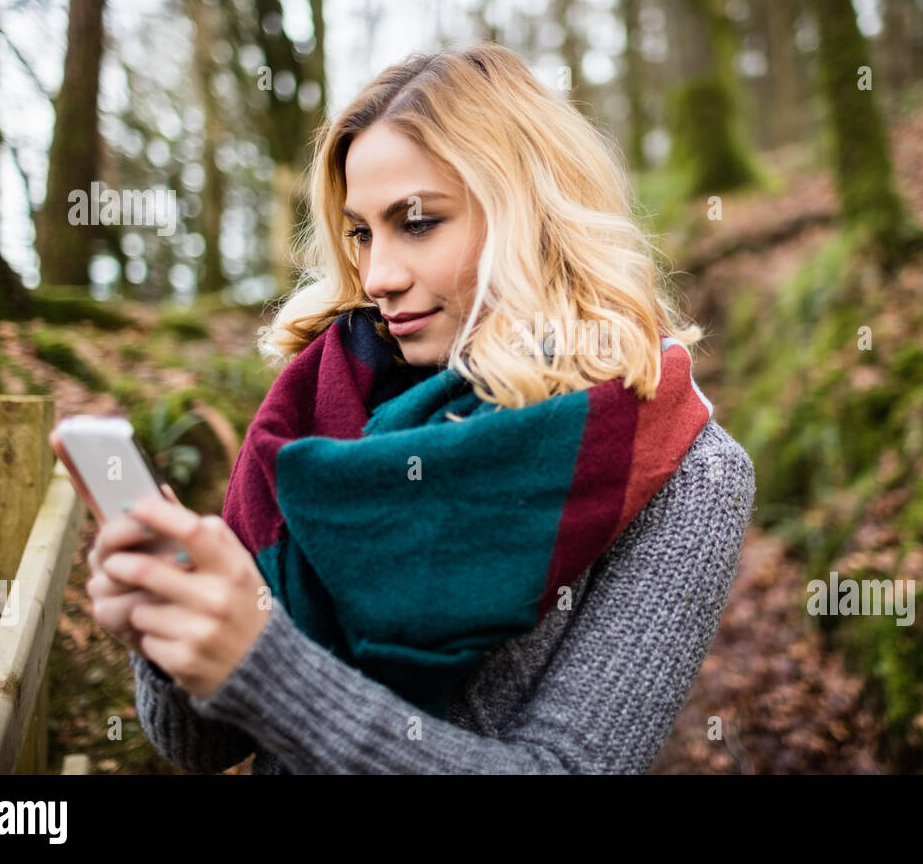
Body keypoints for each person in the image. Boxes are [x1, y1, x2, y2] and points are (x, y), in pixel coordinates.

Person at [78, 42, 756, 774]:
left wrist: (261, 665)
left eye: (419, 222)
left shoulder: (685, 470)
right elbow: (201, 745)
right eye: (362, 232)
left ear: (531, 216)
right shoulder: (315, 411)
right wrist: (168, 620)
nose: (378, 276)